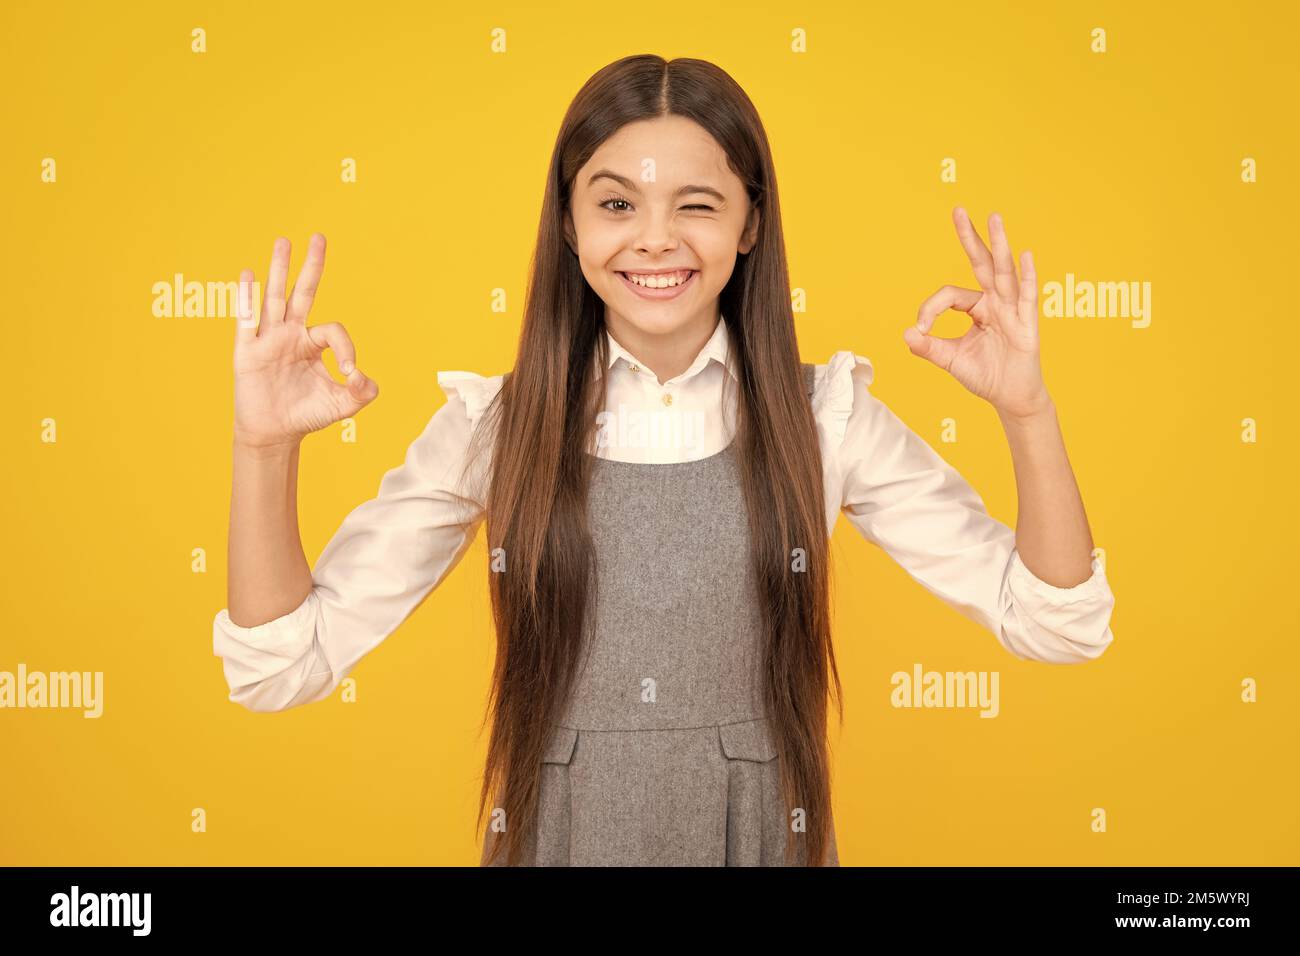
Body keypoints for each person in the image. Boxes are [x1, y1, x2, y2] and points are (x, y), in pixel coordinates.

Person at [213, 54, 1115, 867]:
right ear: (568, 226)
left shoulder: (826, 419)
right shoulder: (497, 425)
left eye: (697, 204)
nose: (654, 240)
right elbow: (283, 666)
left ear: (750, 222)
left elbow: (1053, 623)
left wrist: (1026, 410)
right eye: (615, 204)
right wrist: (265, 448)